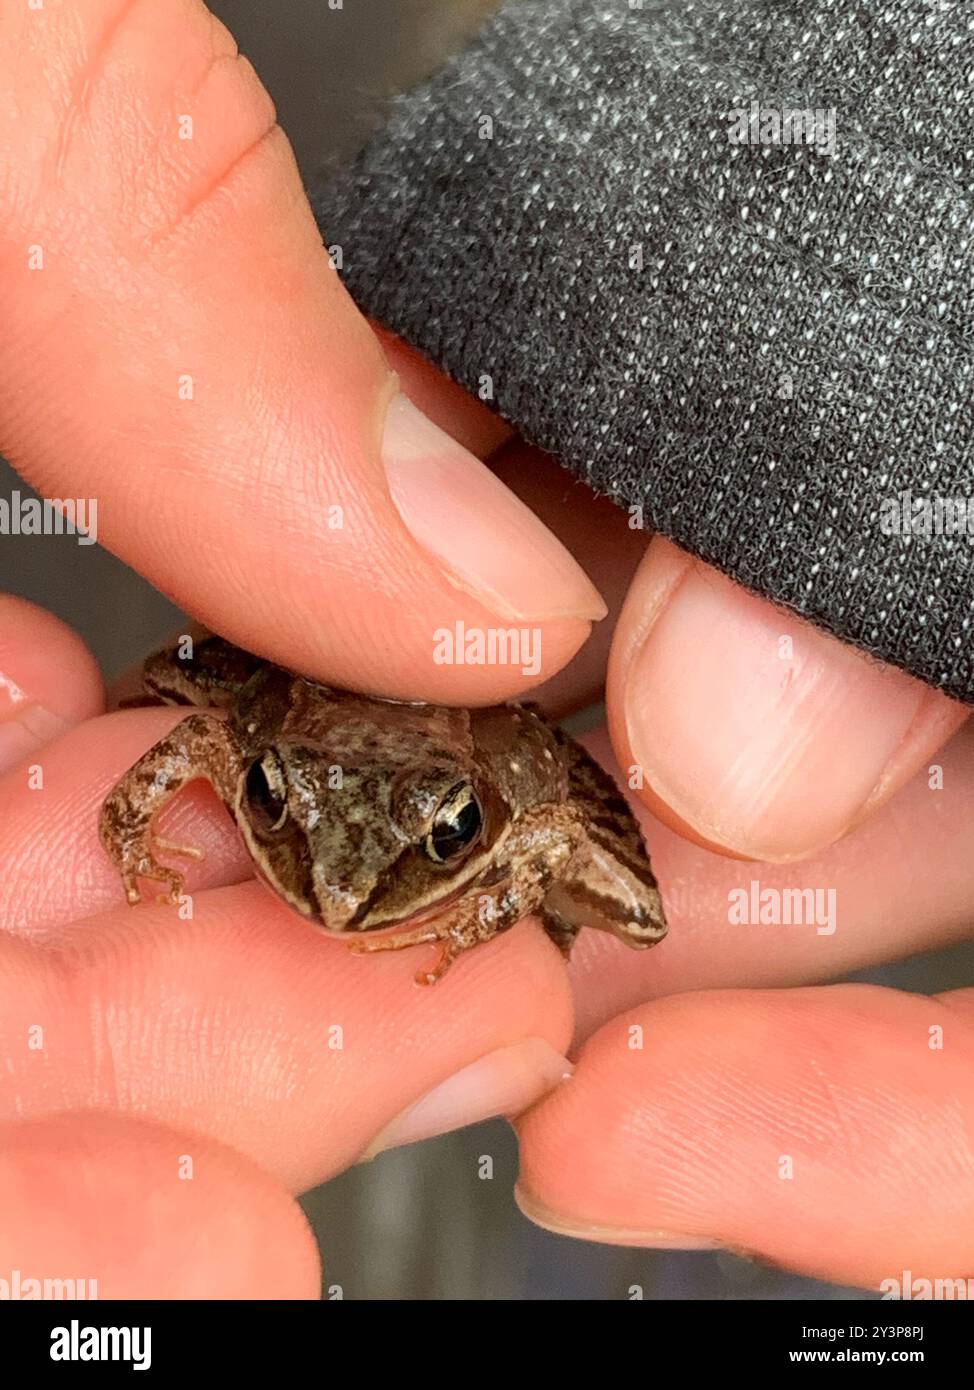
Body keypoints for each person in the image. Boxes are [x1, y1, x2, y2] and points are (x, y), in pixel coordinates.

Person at [0, 0, 969, 1297]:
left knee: (634, 921)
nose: (334, 894)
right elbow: (172, 739)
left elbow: (540, 851)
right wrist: (133, 836)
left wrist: (481, 876)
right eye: (272, 807)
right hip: (368, 347)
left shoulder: (509, 794)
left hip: (500, 691)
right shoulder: (251, 736)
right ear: (261, 771)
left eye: (445, 839)